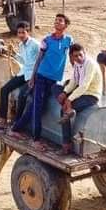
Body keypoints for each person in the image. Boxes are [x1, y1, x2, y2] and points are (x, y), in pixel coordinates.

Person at [13, 12, 72, 145]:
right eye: (56, 20)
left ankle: (16, 128)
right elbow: (39, 59)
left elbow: (72, 57)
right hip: (41, 76)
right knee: (38, 107)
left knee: (36, 106)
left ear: (66, 25)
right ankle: (36, 139)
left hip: (55, 79)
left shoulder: (69, 40)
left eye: (60, 21)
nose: (57, 22)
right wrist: (33, 77)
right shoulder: (46, 40)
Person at [57, 43, 103, 155]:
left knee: (63, 110)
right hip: (82, 93)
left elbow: (84, 86)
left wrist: (69, 100)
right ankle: (71, 111)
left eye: (80, 55)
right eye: (75, 56)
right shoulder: (77, 64)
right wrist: (65, 92)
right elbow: (74, 81)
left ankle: (66, 145)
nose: (78, 58)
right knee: (58, 89)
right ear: (72, 57)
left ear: (84, 53)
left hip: (91, 95)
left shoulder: (90, 64)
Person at [0, 20, 40, 122]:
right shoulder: (20, 45)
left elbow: (42, 60)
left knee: (22, 96)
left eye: (23, 32)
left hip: (33, 75)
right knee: (4, 90)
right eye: (19, 32)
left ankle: (17, 121)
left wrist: (36, 77)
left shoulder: (35, 45)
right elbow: (24, 61)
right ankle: (2, 119)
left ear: (28, 32)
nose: (20, 35)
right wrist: (14, 53)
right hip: (23, 73)